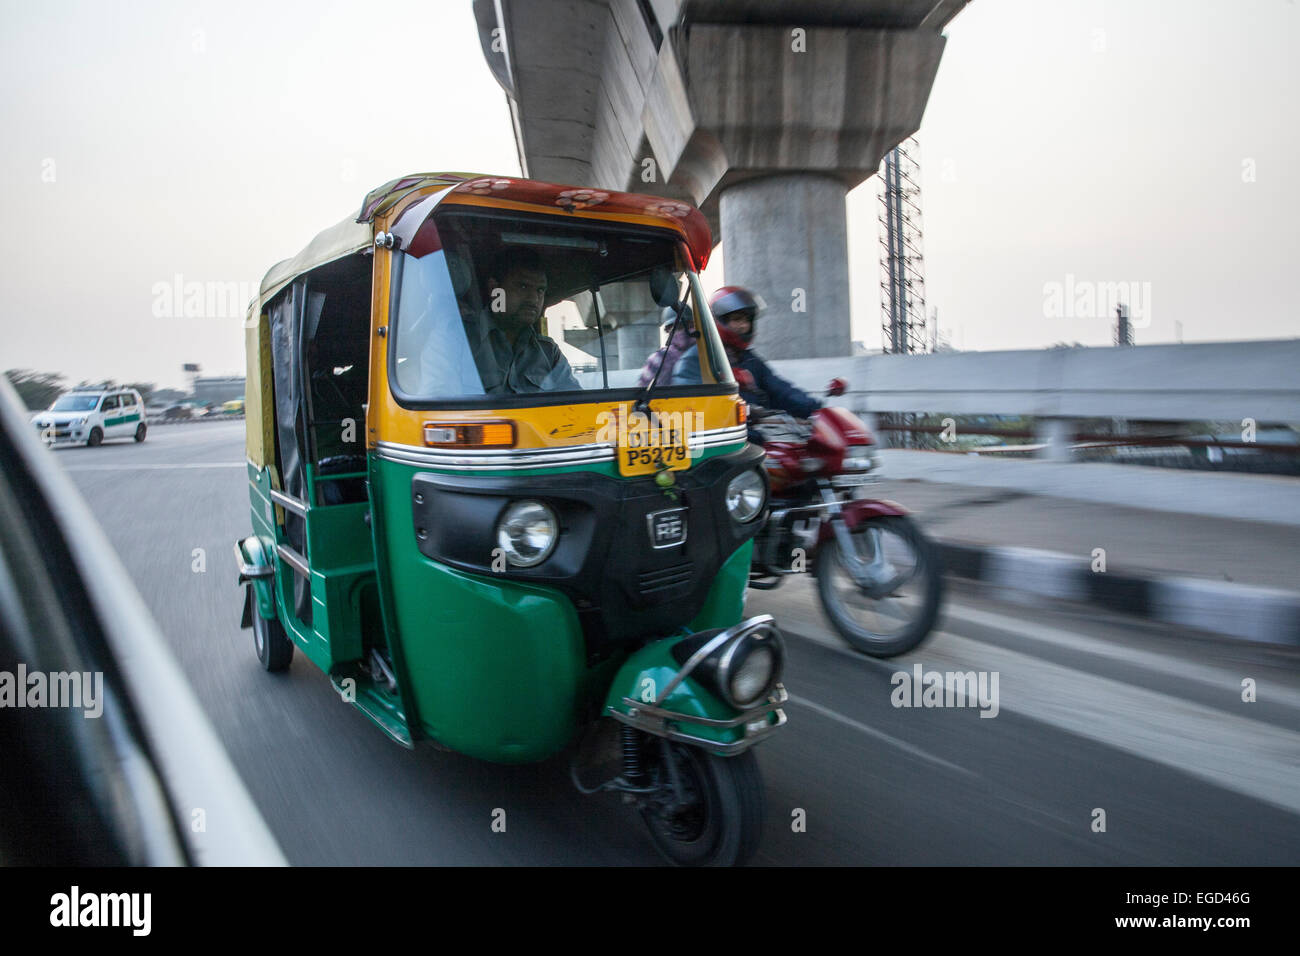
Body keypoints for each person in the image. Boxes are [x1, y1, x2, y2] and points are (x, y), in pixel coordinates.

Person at [465, 247, 581, 394]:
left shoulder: (549, 352)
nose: (533, 299)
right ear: (495, 289)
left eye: (540, 290)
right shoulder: (460, 339)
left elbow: (572, 406)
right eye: (523, 286)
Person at [709, 285, 822, 419]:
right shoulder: (707, 360)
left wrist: (815, 408)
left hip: (757, 433)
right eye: (737, 319)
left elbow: (780, 389)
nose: (744, 326)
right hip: (727, 434)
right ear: (720, 321)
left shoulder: (750, 360)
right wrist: (747, 410)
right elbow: (708, 406)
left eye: (747, 320)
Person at [637, 305, 699, 387]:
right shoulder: (707, 351)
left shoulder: (660, 358)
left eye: (681, 326)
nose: (679, 331)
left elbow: (643, 391)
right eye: (676, 327)